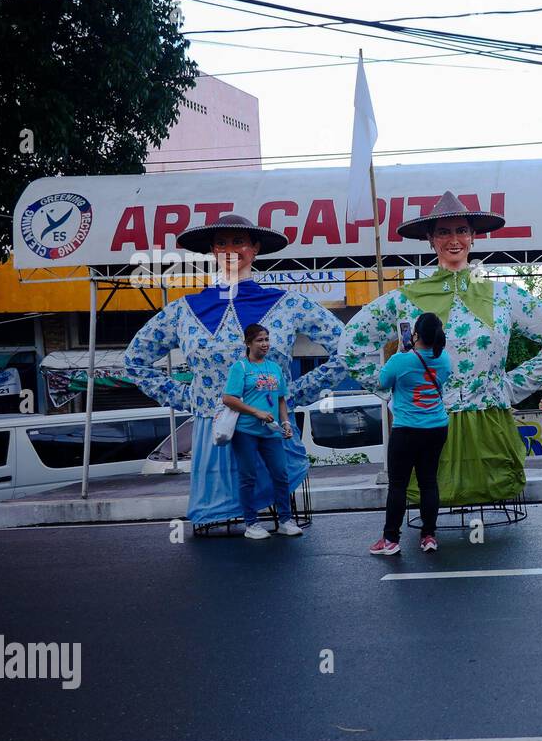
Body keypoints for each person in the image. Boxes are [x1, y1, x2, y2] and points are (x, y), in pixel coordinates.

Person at [124, 213, 347, 529]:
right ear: (213, 250)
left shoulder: (289, 304)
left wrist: (294, 392)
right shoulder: (184, 310)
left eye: (238, 241)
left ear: (255, 247)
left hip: (271, 430)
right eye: (221, 242)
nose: (230, 249)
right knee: (223, 562)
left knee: (279, 562)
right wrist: (191, 398)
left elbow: (348, 348)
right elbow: (135, 361)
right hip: (217, 438)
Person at [340, 191, 542, 509]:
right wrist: (396, 392)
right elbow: (351, 347)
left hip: (489, 424)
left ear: (472, 237)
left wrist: (510, 387)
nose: (453, 239)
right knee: (429, 494)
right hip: (425, 422)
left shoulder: (503, 295)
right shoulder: (405, 299)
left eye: (461, 230)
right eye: (443, 232)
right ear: (430, 239)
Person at [370, 313, 453, 555]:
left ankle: (391, 540)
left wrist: (400, 351)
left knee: (398, 485)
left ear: (415, 334)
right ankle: (428, 536)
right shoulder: (444, 359)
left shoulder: (401, 360)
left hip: (406, 429)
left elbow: (383, 381)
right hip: (437, 427)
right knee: (428, 482)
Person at [221, 324, 300, 540]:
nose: (265, 344)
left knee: (281, 474)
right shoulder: (241, 367)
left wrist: (286, 423)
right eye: (259, 340)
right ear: (248, 343)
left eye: (266, 339)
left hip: (272, 432)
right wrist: (256, 412)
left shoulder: (274, 368)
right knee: (248, 477)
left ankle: (285, 520)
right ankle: (251, 523)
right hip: (245, 431)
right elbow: (228, 398)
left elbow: (281, 398)